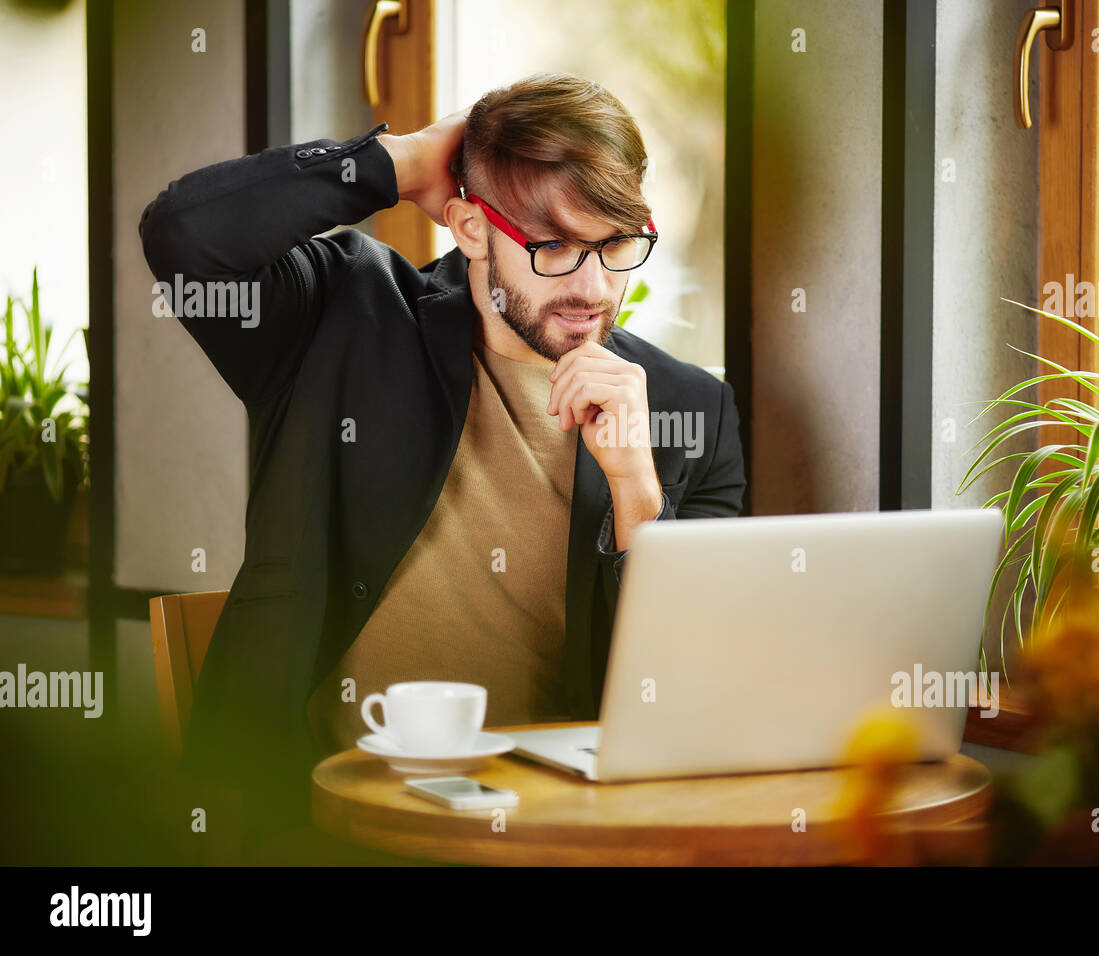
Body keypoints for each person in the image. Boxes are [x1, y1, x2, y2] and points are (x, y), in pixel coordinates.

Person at [138, 72, 745, 843]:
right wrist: (402, 162)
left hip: (553, 831)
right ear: (470, 227)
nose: (593, 288)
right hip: (305, 818)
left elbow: (691, 699)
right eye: (553, 245)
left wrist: (635, 491)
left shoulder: (692, 410)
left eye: (616, 244)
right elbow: (184, 235)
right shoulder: (343, 316)